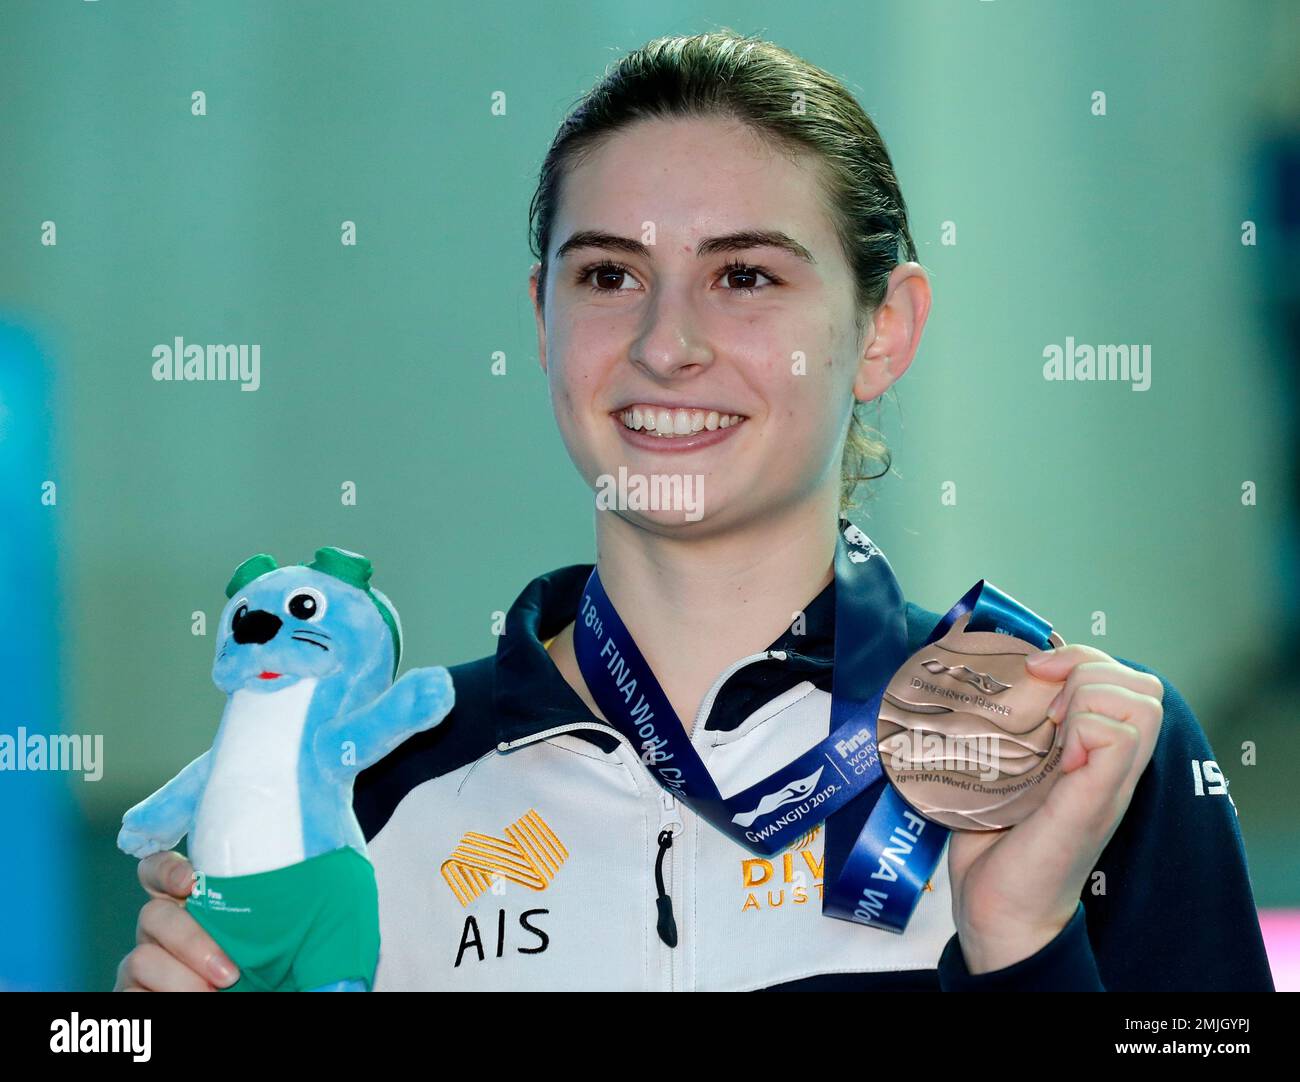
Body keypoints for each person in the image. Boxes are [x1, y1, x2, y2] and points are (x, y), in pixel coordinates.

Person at [115, 29, 1275, 992]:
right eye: (609, 275)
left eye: (747, 276)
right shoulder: (369, 791)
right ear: (543, 320)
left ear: (884, 329)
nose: (666, 344)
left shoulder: (1083, 752)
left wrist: (1021, 945)